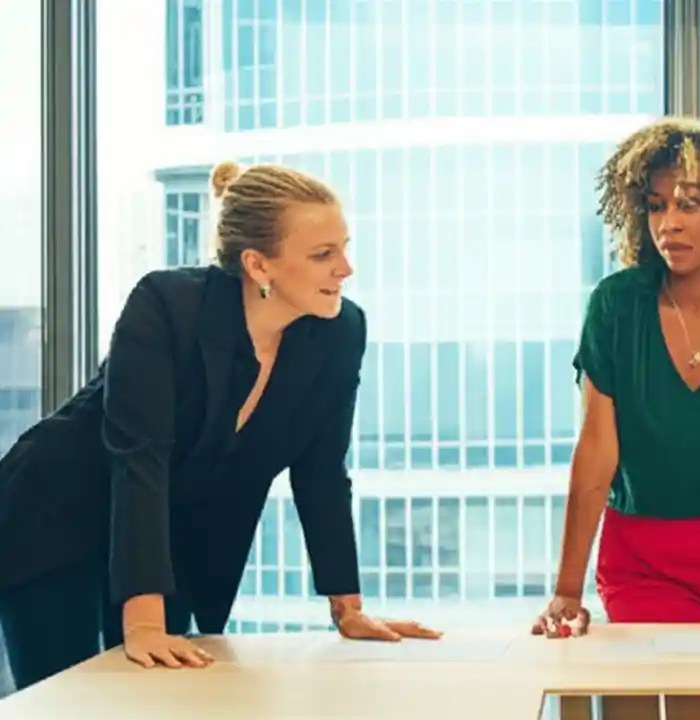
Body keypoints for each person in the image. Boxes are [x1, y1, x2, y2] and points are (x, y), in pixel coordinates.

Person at [0, 162, 440, 691]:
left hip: (166, 533)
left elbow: (322, 472)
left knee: (164, 692)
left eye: (344, 248)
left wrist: (347, 607)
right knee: (68, 698)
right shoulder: (167, 304)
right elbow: (139, 457)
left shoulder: (340, 331)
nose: (345, 269)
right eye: (323, 255)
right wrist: (143, 625)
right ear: (258, 264)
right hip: (58, 512)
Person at [533, 117, 700, 636]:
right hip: (645, 559)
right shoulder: (616, 305)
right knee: (674, 686)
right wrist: (567, 591)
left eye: (689, 204)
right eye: (657, 206)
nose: (669, 224)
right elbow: (597, 451)